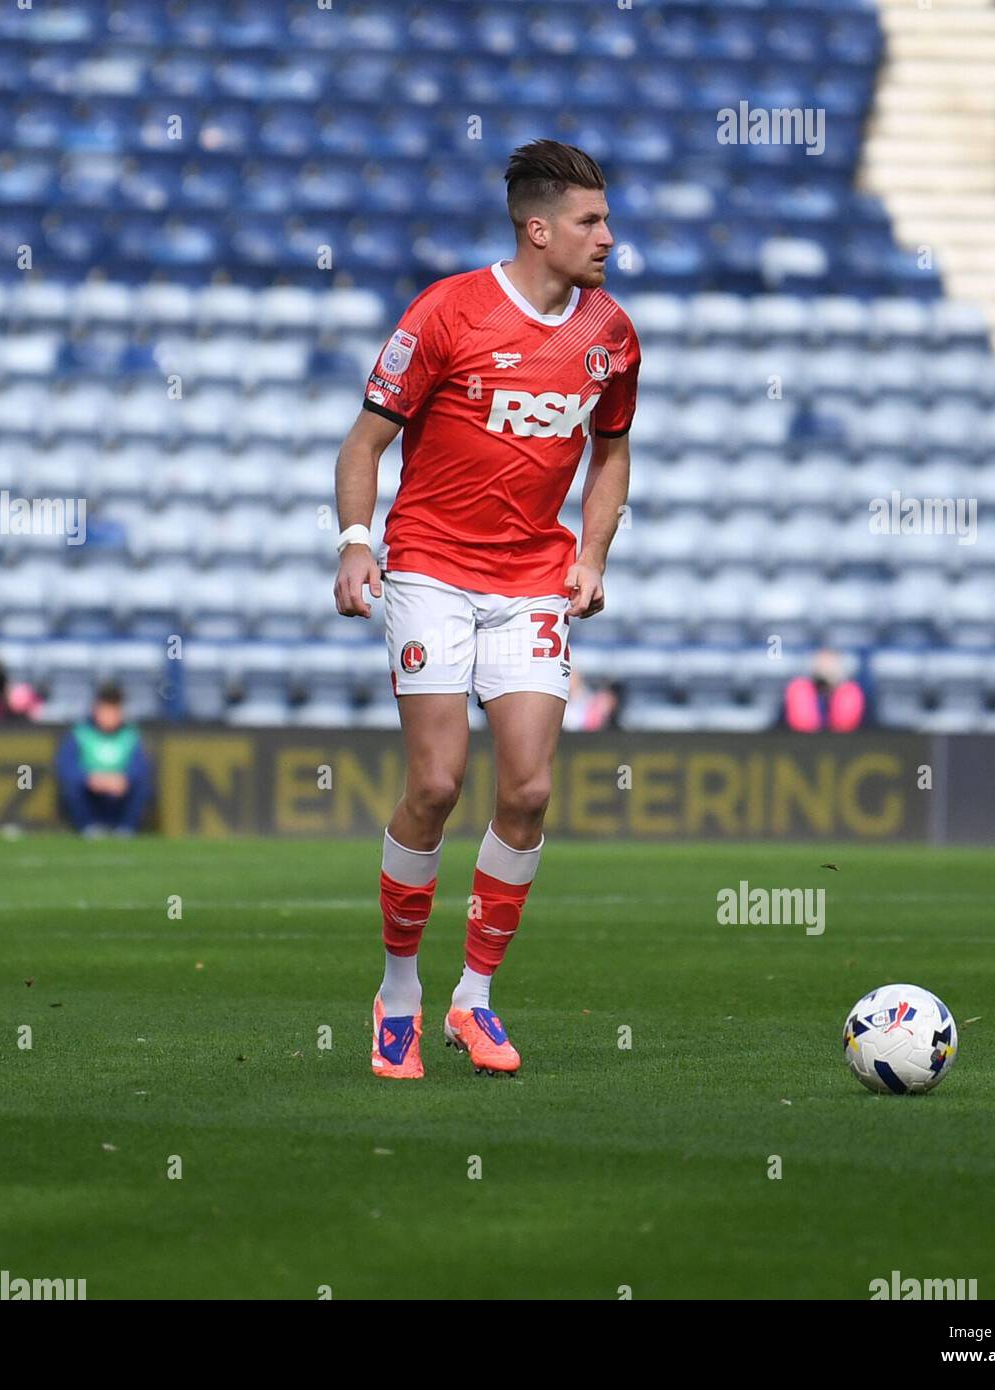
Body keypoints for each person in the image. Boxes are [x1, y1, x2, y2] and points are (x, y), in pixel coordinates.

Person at [332, 139, 640, 1080]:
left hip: (531, 580)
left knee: (531, 793)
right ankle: (398, 994)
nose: (608, 237)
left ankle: (475, 998)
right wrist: (355, 544)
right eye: (591, 222)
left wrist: (590, 556)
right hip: (428, 568)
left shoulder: (612, 334)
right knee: (435, 785)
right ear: (537, 228)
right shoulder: (445, 312)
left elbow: (612, 452)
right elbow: (363, 445)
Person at [55, 682, 153, 836]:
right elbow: (66, 767)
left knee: (142, 784)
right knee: (72, 784)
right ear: (96, 709)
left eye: (114, 709)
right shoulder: (80, 733)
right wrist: (90, 778)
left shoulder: (131, 735)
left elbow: (140, 768)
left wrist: (124, 779)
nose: (110, 715)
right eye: (106, 709)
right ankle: (88, 827)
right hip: (92, 792)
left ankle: (126, 829)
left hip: (119, 793)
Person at [783, 649, 866, 733]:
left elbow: (844, 726)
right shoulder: (800, 690)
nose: (825, 671)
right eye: (821, 666)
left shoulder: (849, 691)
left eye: (831, 666)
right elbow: (802, 725)